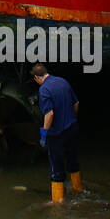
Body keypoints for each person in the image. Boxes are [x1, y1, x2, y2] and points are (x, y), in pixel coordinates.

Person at [32, 63, 80, 203]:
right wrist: (73, 119)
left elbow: (49, 114)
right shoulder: (62, 81)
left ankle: (58, 204)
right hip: (72, 128)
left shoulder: (44, 90)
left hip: (56, 134)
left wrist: (44, 134)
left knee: (56, 170)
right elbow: (76, 103)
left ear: (36, 78)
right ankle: (78, 190)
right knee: (73, 162)